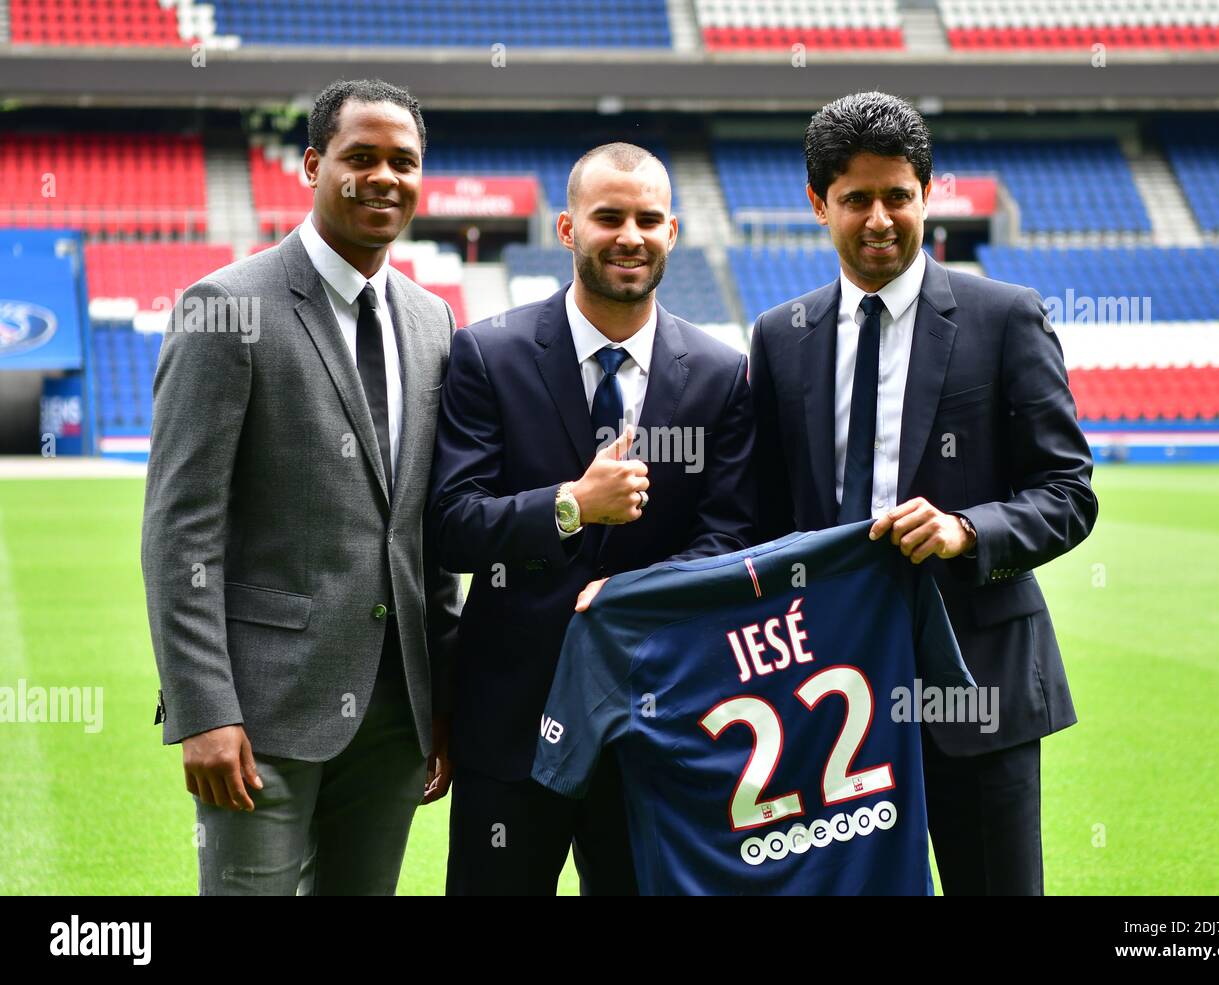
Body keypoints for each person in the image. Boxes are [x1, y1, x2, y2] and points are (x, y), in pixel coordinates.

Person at [748, 91, 1098, 895]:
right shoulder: (779, 337)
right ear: (818, 204)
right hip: (829, 696)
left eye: (897, 196)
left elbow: (1067, 492)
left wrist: (966, 531)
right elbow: (761, 519)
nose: (878, 219)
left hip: (978, 685)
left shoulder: (1006, 318)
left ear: (928, 194)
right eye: (855, 199)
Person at [141, 78, 461, 895]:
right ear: (313, 164)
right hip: (263, 714)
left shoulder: (433, 321)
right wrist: (205, 708)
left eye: (404, 161)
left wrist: (444, 696)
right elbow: (181, 530)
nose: (384, 177)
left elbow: (422, 529)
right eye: (361, 158)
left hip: (396, 718)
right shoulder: (225, 308)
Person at [431, 142, 757, 895]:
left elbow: (732, 537)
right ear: (567, 227)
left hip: (659, 726)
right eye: (608, 216)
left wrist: (630, 597)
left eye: (648, 218)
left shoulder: (719, 375)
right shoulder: (489, 354)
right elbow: (452, 523)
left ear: (673, 231)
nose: (630, 235)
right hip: (512, 723)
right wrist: (571, 506)